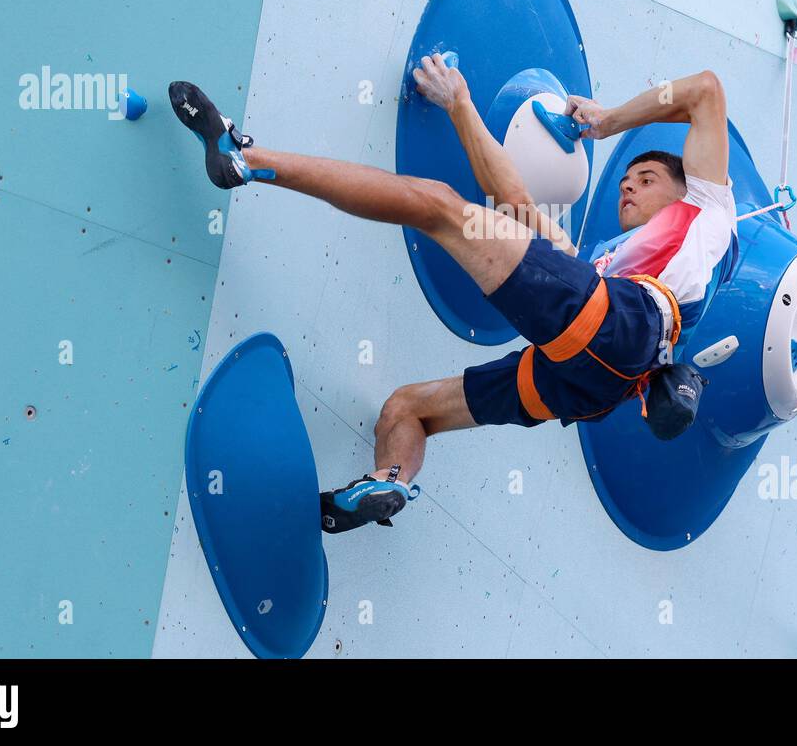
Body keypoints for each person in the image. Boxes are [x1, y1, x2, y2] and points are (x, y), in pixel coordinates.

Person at [168, 57, 737, 533]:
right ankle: (390, 481)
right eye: (625, 179)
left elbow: (704, 91)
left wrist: (609, 121)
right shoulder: (602, 267)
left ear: (688, 184)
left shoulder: (710, 212)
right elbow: (514, 202)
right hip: (584, 383)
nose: (628, 184)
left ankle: (245, 156)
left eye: (647, 178)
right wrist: (460, 103)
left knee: (438, 204)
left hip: (619, 329)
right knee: (405, 408)